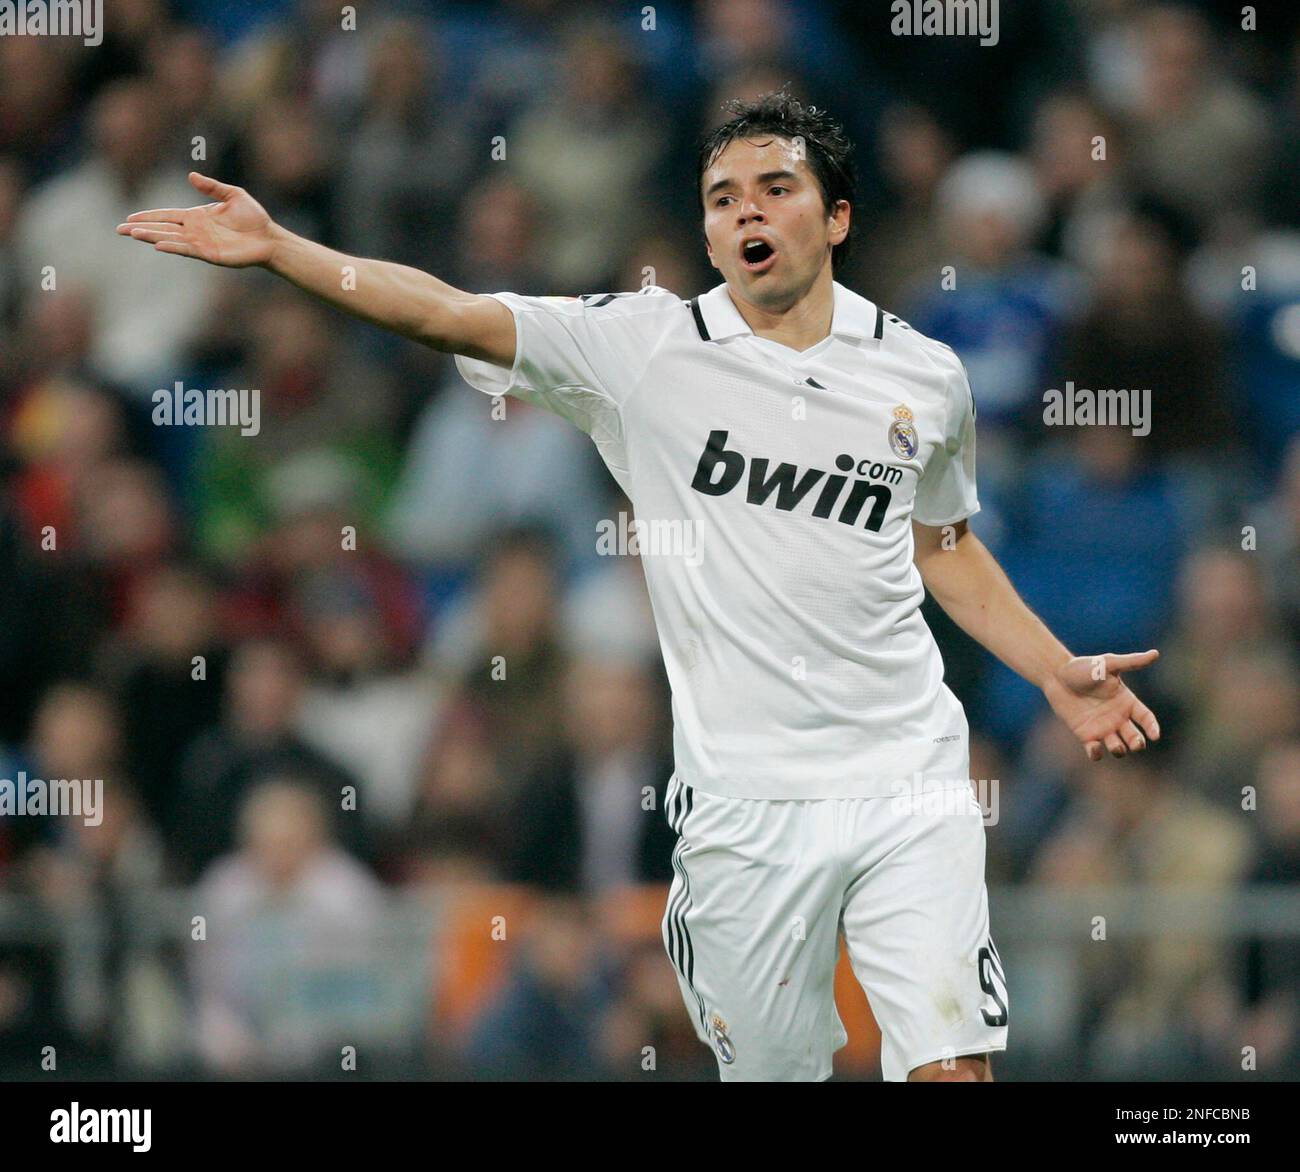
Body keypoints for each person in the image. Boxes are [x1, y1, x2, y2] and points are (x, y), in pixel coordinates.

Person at [116, 88, 1162, 1083]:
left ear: (836, 217)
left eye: (775, 188)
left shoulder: (925, 376)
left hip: (906, 775)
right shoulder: (644, 348)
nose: (746, 210)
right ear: (708, 238)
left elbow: (943, 544)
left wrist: (1055, 669)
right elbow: (450, 313)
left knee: (951, 1061)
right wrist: (283, 249)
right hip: (741, 805)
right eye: (721, 199)